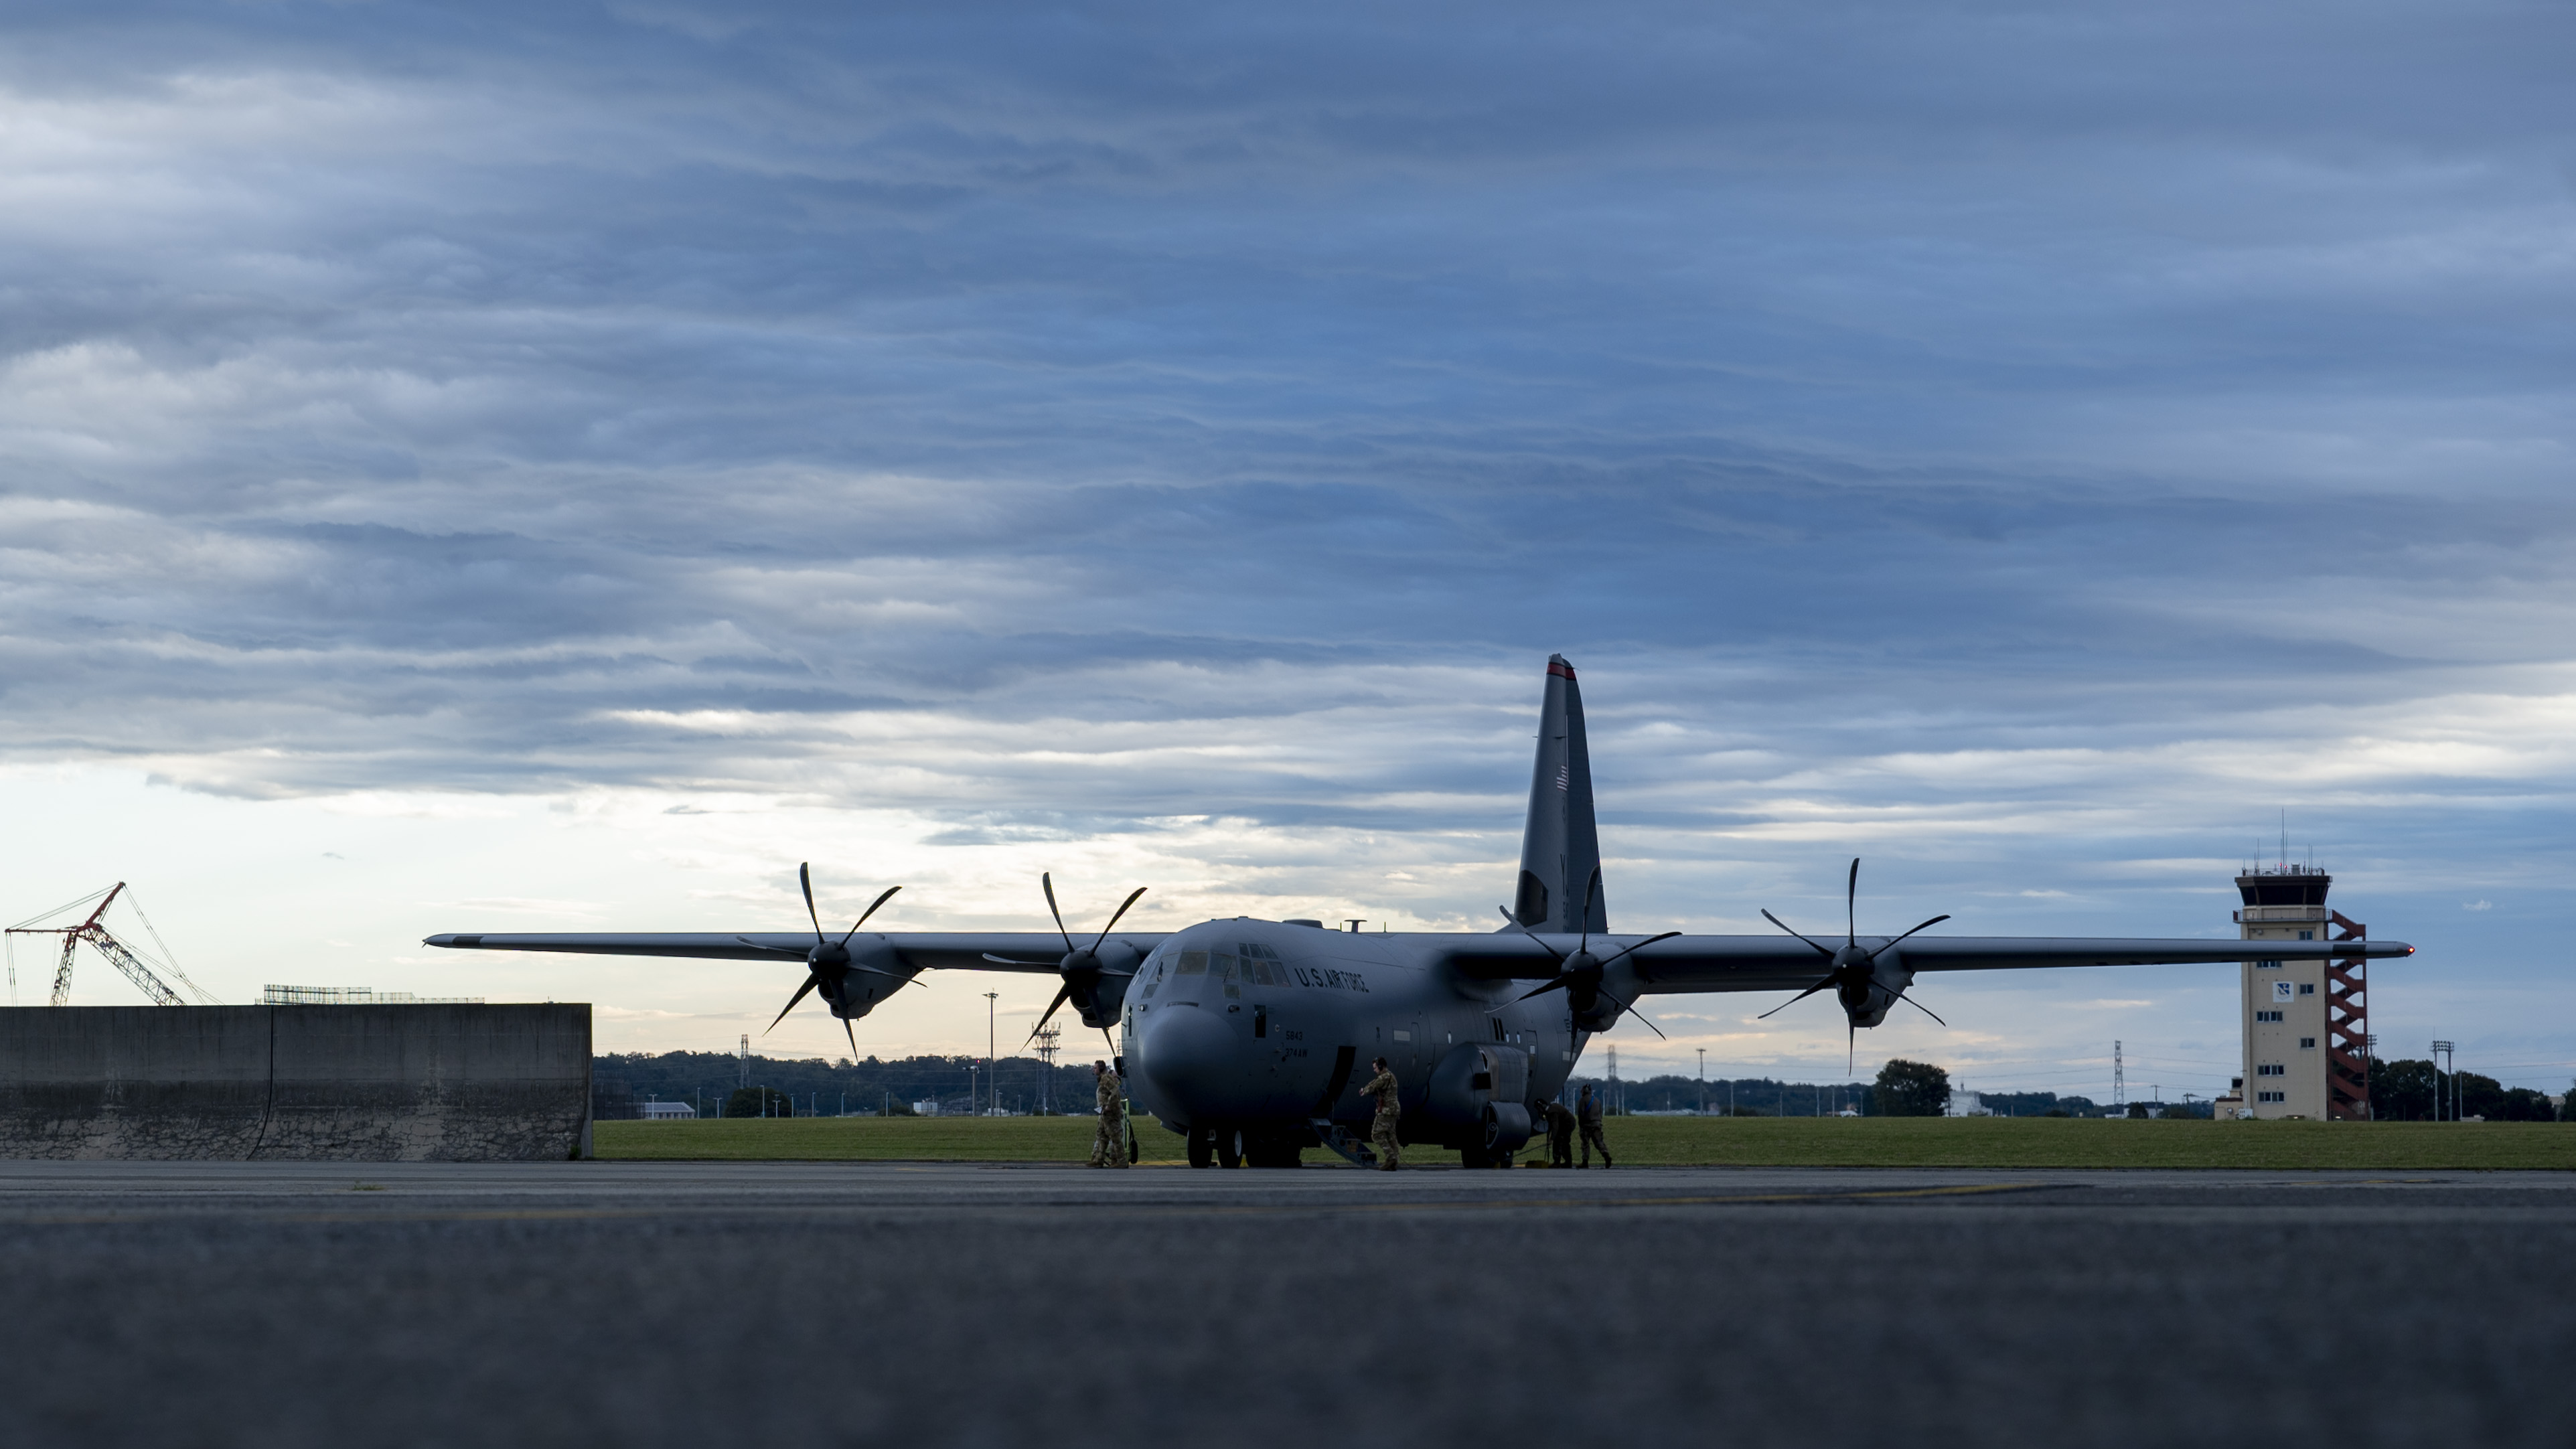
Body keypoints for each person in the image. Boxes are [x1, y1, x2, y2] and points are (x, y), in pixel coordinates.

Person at [1359, 1055, 1402, 1171]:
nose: (1374, 1070)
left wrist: (1364, 1091)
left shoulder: (1384, 1077)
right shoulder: (1391, 1076)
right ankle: (1394, 1161)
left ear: (1381, 1066)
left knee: (1376, 1134)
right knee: (1390, 1135)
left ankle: (1391, 1157)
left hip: (1387, 1110)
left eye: (1375, 1068)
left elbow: (1374, 1085)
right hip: (1394, 1109)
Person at [1089, 1061, 1130, 1168]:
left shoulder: (1106, 1079)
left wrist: (1109, 1105)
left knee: (1115, 1137)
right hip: (1104, 1114)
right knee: (1101, 1135)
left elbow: (1115, 1091)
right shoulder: (1102, 1079)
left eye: (1095, 1068)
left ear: (1101, 1069)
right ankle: (1099, 1160)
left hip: (1110, 1114)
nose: (1094, 1070)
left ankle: (1121, 1161)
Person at [1578, 1082, 1612, 1168]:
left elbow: (1581, 1114)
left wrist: (1581, 1125)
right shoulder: (1597, 1100)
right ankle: (1606, 1155)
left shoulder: (1583, 1100)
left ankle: (1585, 1162)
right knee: (1599, 1142)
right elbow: (1600, 1113)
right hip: (1597, 1124)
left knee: (1585, 1144)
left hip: (1586, 1125)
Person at [1544, 1097, 1576, 1168]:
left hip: (1568, 1124)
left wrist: (1552, 1139)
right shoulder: (1551, 1110)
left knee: (1562, 1142)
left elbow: (1555, 1126)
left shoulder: (1552, 1112)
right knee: (1560, 1141)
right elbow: (1550, 1126)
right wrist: (1548, 1138)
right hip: (1564, 1124)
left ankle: (1560, 1162)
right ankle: (1563, 1162)